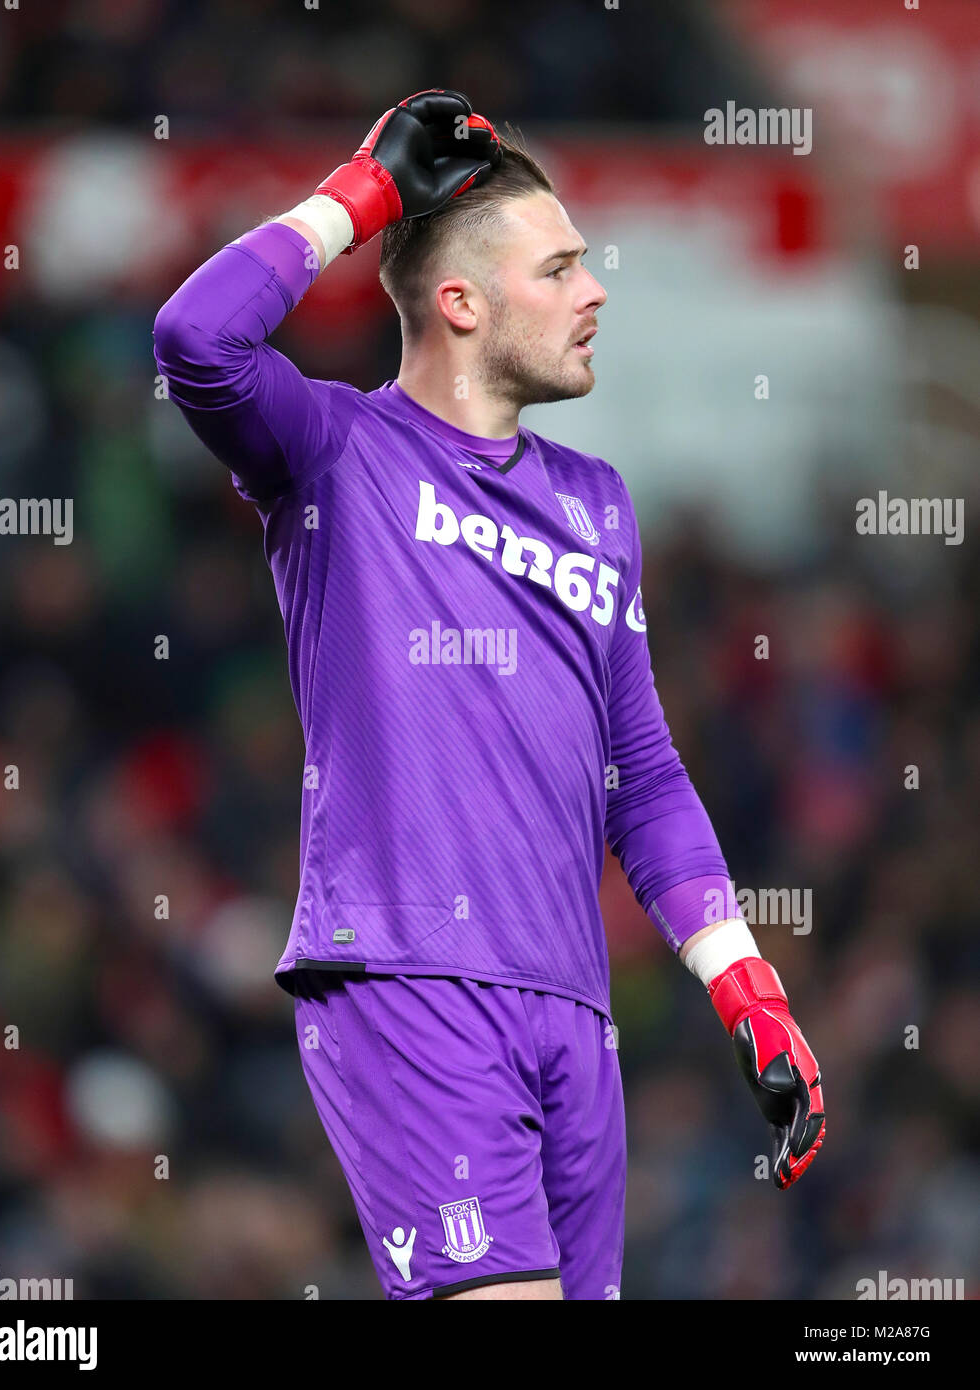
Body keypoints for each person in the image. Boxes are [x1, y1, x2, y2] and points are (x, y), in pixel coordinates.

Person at [153, 89, 825, 1301]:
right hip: (411, 982)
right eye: (561, 268)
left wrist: (743, 982)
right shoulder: (336, 455)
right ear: (459, 303)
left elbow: (646, 774)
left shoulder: (598, 505)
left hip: (572, 1013)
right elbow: (197, 340)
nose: (595, 292)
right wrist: (355, 199)